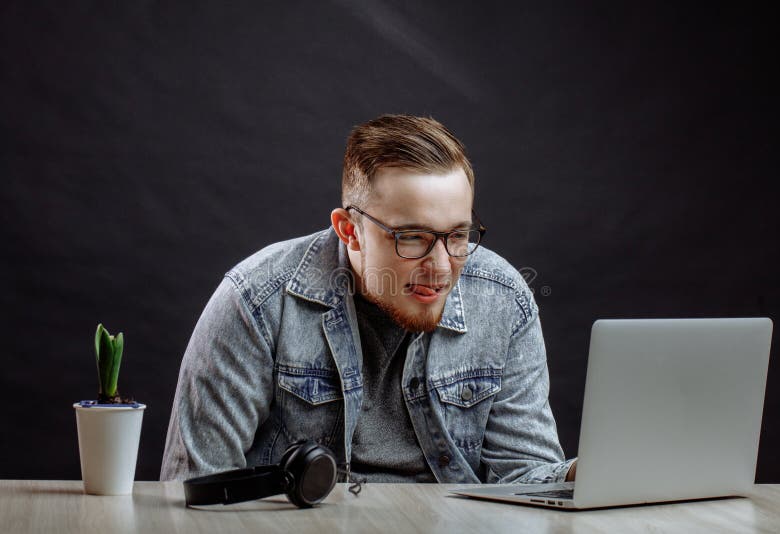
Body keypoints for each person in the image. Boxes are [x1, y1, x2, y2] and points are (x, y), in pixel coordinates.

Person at [160, 114, 576, 484]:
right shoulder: (256, 301)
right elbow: (197, 487)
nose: (442, 266)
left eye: (457, 236)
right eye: (412, 237)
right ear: (349, 230)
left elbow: (524, 478)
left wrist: (582, 474)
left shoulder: (504, 300)